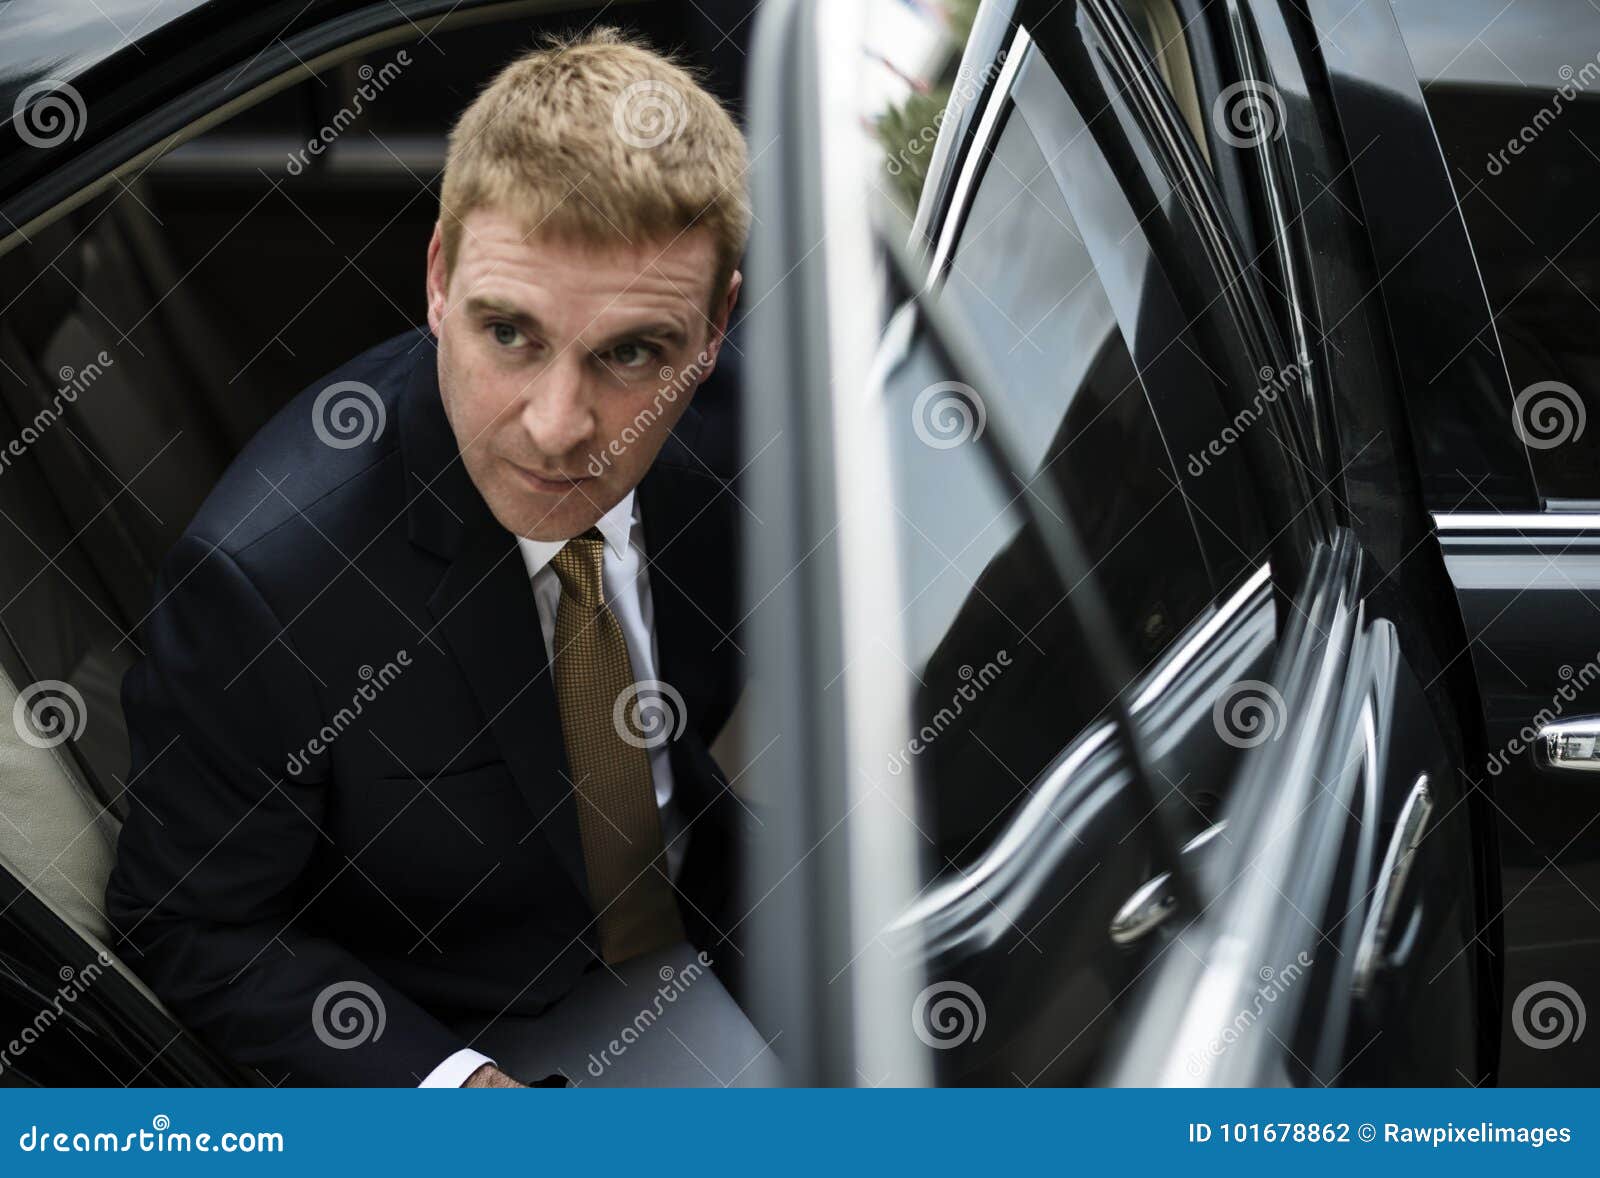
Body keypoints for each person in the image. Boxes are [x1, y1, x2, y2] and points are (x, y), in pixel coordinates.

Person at [104, 28, 749, 1087]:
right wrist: (449, 1093)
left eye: (631, 351)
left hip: (730, 910)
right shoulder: (269, 581)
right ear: (440, 279)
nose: (557, 426)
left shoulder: (763, 428)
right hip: (484, 1023)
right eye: (511, 332)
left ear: (716, 326)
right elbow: (188, 923)